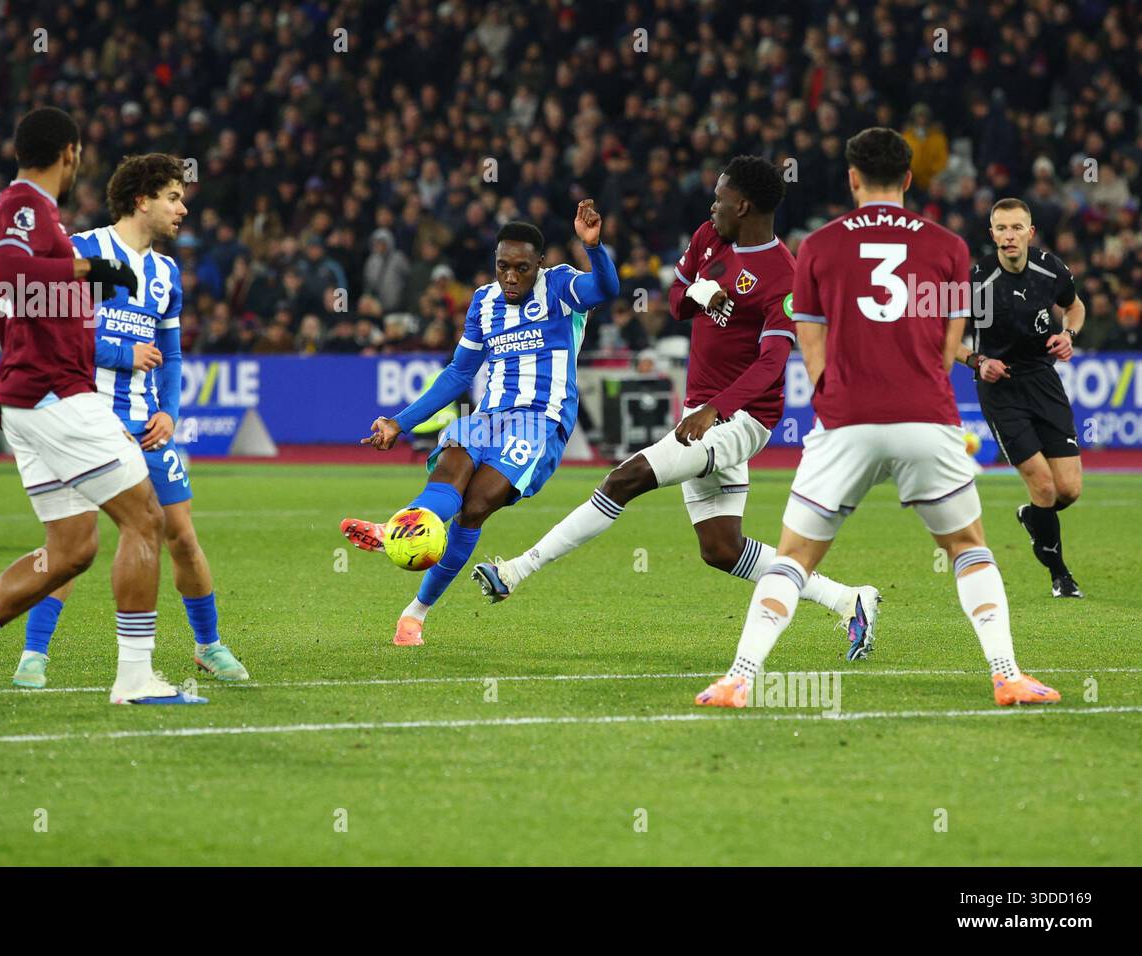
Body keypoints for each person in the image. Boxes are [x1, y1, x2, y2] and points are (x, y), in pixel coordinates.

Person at [696, 128, 1059, 709]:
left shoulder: (816, 245)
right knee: (968, 546)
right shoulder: (948, 247)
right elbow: (951, 342)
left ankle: (739, 677)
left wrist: (827, 391)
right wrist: (921, 384)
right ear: (910, 180)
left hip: (846, 418)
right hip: (925, 415)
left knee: (793, 558)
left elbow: (808, 336)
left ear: (853, 179)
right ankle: (1007, 673)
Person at [473, 157, 880, 660]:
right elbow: (675, 299)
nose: (713, 205)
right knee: (721, 549)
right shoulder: (710, 235)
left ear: (744, 205)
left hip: (743, 419)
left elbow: (773, 362)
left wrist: (717, 410)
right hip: (703, 409)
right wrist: (699, 294)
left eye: (721, 197)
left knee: (623, 480)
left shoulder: (784, 276)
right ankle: (850, 599)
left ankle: (515, 570)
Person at [0, 106, 205, 706]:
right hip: (53, 392)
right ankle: (135, 679)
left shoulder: (33, 215)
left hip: (28, 397)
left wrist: (64, 290)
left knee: (70, 551)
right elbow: (15, 276)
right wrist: (91, 270)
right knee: (145, 518)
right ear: (69, 153)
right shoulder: (25, 206)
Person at [12, 153, 248, 690]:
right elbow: (48, 326)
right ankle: (34, 653)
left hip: (145, 425)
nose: (182, 208)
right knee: (72, 545)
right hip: (84, 415)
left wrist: (170, 412)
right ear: (141, 200)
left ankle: (208, 645)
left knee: (181, 536)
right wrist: (121, 353)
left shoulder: (166, 272)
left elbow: (172, 353)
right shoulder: (83, 251)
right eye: (173, 197)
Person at [340, 202, 619, 646]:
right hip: (487, 417)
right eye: (503, 266)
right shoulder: (484, 302)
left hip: (539, 421)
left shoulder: (562, 286)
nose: (511, 277)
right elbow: (458, 373)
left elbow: (606, 289)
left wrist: (594, 246)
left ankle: (415, 608)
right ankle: (399, 535)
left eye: (522, 268)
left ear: (539, 265)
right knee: (450, 470)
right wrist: (400, 422)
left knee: (474, 507)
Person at [958, 198, 1087, 598]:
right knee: (1044, 486)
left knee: (1069, 490)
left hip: (1042, 380)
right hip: (1000, 388)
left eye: (1017, 228)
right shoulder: (975, 280)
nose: (1009, 235)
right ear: (991, 233)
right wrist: (977, 362)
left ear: (1030, 233)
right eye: (1001, 228)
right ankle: (1060, 575)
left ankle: (1033, 517)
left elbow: (1075, 306)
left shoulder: (1051, 268)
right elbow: (942, 339)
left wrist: (1068, 335)